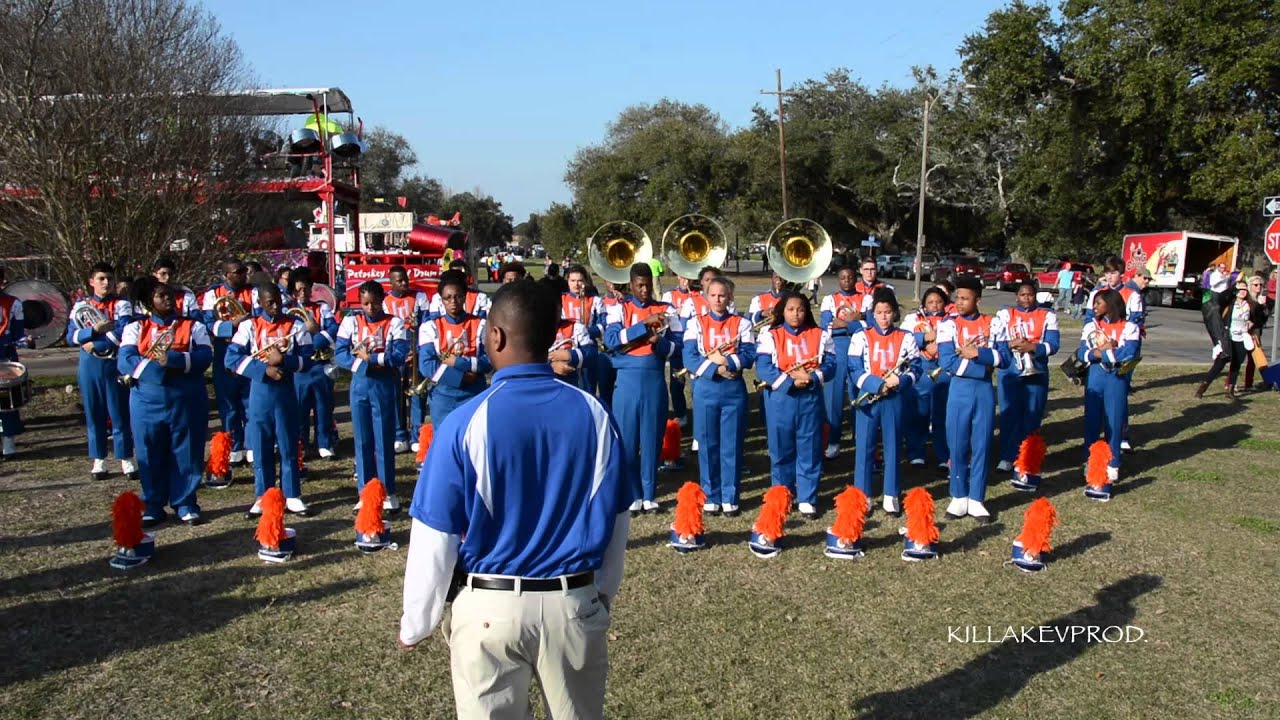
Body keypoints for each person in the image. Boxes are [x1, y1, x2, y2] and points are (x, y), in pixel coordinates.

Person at [400, 279, 631, 720]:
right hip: (573, 606)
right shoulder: (597, 415)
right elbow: (617, 519)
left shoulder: (465, 421)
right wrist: (601, 594)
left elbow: (435, 533)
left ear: (496, 336)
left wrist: (417, 621)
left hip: (489, 609)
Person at [119, 277, 211, 526]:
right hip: (147, 400)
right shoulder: (135, 328)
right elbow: (125, 359)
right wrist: (154, 369)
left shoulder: (193, 326)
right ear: (150, 301)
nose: (168, 299)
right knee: (150, 449)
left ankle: (186, 502)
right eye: (161, 296)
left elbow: (205, 356)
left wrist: (174, 361)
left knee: (187, 450)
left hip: (185, 398)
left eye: (170, 295)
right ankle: (153, 503)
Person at [227, 283, 313, 517]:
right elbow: (231, 357)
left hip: (285, 390)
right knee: (261, 444)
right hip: (260, 390)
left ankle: (292, 494)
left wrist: (284, 361)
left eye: (278, 301)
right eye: (269, 302)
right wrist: (263, 370)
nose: (275, 306)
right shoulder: (249, 325)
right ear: (260, 303)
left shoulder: (295, 325)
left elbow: (308, 360)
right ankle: (263, 495)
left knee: (288, 442)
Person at [604, 263, 681, 514]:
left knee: (652, 438)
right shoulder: (619, 308)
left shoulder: (667, 309)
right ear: (630, 284)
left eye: (648, 284)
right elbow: (612, 341)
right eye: (639, 285)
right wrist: (644, 326)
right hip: (626, 381)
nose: (645, 290)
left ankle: (649, 494)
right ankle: (633, 493)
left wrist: (657, 341)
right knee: (627, 440)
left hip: (654, 380)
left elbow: (675, 349)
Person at [754, 291, 835, 519]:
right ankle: (782, 495)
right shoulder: (770, 335)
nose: (796, 314)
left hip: (810, 399)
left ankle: (807, 498)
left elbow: (831, 365)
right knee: (781, 450)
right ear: (782, 311)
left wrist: (810, 378)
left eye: (800, 309)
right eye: (790, 309)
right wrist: (790, 382)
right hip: (781, 399)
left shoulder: (819, 335)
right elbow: (763, 367)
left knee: (809, 448)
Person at [936, 277, 1010, 523]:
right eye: (957, 297)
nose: (959, 302)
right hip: (959, 390)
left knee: (982, 442)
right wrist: (982, 367)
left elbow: (1005, 358)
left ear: (977, 300)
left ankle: (977, 498)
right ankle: (958, 495)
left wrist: (978, 352)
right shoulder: (949, 324)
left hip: (984, 392)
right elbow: (946, 361)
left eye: (965, 298)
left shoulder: (993, 323)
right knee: (956, 442)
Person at [681, 276, 756, 516]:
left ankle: (730, 496)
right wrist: (718, 369)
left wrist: (729, 363)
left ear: (730, 297)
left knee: (731, 444)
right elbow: (689, 357)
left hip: (733, 391)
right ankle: (710, 495)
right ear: (705, 297)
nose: (717, 299)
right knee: (707, 443)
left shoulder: (741, 323)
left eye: (722, 295)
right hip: (706, 389)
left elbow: (749, 353)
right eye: (713, 295)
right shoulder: (695, 323)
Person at [337, 281, 409, 511]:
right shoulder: (351, 321)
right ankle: (365, 490)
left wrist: (372, 359)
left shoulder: (394, 322)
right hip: (360, 384)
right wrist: (363, 364)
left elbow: (398, 355)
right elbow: (340, 354)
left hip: (384, 385)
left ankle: (388, 490)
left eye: (375, 303)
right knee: (363, 439)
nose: (370, 308)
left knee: (384, 439)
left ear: (382, 300)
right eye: (366, 303)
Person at [848, 288, 920, 516]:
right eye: (879, 312)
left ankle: (891, 495)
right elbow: (854, 368)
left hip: (894, 398)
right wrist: (876, 384)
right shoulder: (861, 336)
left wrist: (899, 380)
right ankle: (863, 495)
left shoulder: (906, 337)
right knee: (865, 448)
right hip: (869, 399)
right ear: (872, 314)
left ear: (894, 313)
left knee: (893, 445)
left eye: (888, 312)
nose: (884, 317)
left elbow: (916, 368)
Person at [67, 262, 136, 481]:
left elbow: (124, 330)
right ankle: (99, 459)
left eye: (109, 278)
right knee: (94, 412)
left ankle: (126, 458)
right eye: (101, 279)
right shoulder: (81, 305)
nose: (106, 283)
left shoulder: (121, 304)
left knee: (119, 412)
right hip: (89, 365)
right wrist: (93, 330)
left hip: (113, 363)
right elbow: (71, 337)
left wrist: (95, 344)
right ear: (91, 282)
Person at [995, 281, 1060, 471]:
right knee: (1009, 415)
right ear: (1016, 296)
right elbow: (996, 343)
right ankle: (1007, 456)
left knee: (1032, 416)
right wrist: (1011, 344)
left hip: (1036, 371)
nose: (1026, 298)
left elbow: (1053, 345)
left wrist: (1032, 348)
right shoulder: (1005, 314)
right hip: (1010, 371)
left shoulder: (1047, 315)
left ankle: (1027, 457)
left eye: (1030, 295)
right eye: (1022, 295)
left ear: (1035, 296)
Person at [1079, 289, 1141, 484]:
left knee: (1114, 421)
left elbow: (1128, 353)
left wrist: (1101, 354)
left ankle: (1113, 462)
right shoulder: (1091, 326)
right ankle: (1091, 459)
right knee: (1092, 420)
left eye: (1099, 303)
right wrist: (1104, 352)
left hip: (1116, 377)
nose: (1094, 307)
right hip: (1095, 376)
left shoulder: (1129, 327)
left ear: (1110, 305)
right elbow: (1082, 353)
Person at [419, 271, 491, 429]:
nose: (453, 302)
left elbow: (489, 361)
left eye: (458, 296)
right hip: (442, 396)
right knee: (445, 446)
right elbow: (426, 365)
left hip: (474, 393)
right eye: (447, 298)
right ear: (441, 300)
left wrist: (460, 362)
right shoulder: (429, 327)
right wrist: (460, 378)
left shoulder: (481, 324)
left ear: (465, 297)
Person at [201, 258, 256, 463]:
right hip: (223, 349)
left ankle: (251, 445)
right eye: (238, 272)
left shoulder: (254, 292)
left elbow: (258, 317)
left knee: (250, 401)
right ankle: (233, 447)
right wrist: (231, 325)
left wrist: (244, 325)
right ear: (226, 275)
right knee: (228, 402)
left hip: (248, 349)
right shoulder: (212, 294)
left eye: (243, 271)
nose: (243, 275)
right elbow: (207, 324)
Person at [818, 265, 870, 460]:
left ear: (855, 278)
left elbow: (871, 325)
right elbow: (827, 326)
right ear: (838, 279)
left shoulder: (866, 298)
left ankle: (861, 438)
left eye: (850, 277)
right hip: (837, 348)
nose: (846, 280)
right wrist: (858, 321)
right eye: (842, 277)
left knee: (860, 394)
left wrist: (847, 324)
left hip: (860, 348)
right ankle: (833, 440)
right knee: (833, 396)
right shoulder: (829, 299)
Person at [289, 269, 339, 458]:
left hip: (320, 366)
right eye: (299, 290)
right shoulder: (288, 311)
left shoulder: (322, 307)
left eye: (306, 289)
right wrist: (308, 333)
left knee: (323, 406)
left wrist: (316, 336)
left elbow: (333, 328)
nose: (303, 294)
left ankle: (324, 443)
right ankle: (301, 444)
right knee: (300, 408)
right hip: (300, 368)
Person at [901, 287, 951, 474]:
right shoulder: (913, 319)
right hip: (922, 369)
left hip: (943, 368)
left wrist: (937, 343)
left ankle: (944, 456)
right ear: (924, 304)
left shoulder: (950, 319)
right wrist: (925, 337)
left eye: (938, 301)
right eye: (930, 302)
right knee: (919, 413)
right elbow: (905, 337)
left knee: (942, 415)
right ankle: (916, 453)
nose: (934, 305)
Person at [383, 266, 431, 454]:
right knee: (396, 395)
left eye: (405, 279)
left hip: (416, 351)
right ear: (391, 282)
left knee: (417, 394)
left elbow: (426, 324)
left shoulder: (419, 297)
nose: (404, 283)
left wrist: (417, 351)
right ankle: (399, 434)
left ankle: (417, 435)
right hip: (396, 354)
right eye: (399, 281)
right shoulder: (385, 300)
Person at [1196, 280, 1264, 400]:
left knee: (1236, 364)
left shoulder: (1250, 305)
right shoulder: (1229, 303)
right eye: (1239, 289)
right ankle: (1203, 387)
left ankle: (1230, 389)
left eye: (1244, 289)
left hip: (1241, 337)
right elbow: (1221, 298)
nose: (1242, 292)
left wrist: (1252, 323)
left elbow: (1259, 318)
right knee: (1220, 363)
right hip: (1228, 337)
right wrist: (1233, 289)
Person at [562, 264, 604, 394]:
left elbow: (603, 326)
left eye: (580, 280)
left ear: (585, 281)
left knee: (588, 389)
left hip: (588, 349)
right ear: (568, 281)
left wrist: (586, 332)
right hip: (567, 350)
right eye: (572, 281)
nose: (576, 284)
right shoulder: (561, 299)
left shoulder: (595, 300)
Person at [662, 274, 697, 427]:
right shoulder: (669, 295)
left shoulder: (700, 295)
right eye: (683, 277)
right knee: (677, 383)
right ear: (677, 276)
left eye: (689, 277)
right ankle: (680, 414)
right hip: (678, 343)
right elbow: (666, 318)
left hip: (696, 344)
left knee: (698, 383)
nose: (686, 280)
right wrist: (679, 311)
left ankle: (700, 414)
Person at [0, 267, 26, 457]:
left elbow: (18, 335)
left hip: (5, 356)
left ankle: (8, 440)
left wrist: (25, 342)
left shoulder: (14, 303)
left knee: (6, 401)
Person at [1243, 275, 1271, 390]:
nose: (1258, 287)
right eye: (1255, 285)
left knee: (1253, 358)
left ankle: (1248, 384)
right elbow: (1249, 317)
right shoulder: (1247, 300)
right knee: (1237, 358)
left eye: (1260, 285)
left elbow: (1263, 319)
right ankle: (1230, 384)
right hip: (1247, 332)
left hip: (1257, 331)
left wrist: (1263, 306)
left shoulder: (1261, 300)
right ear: (1250, 286)